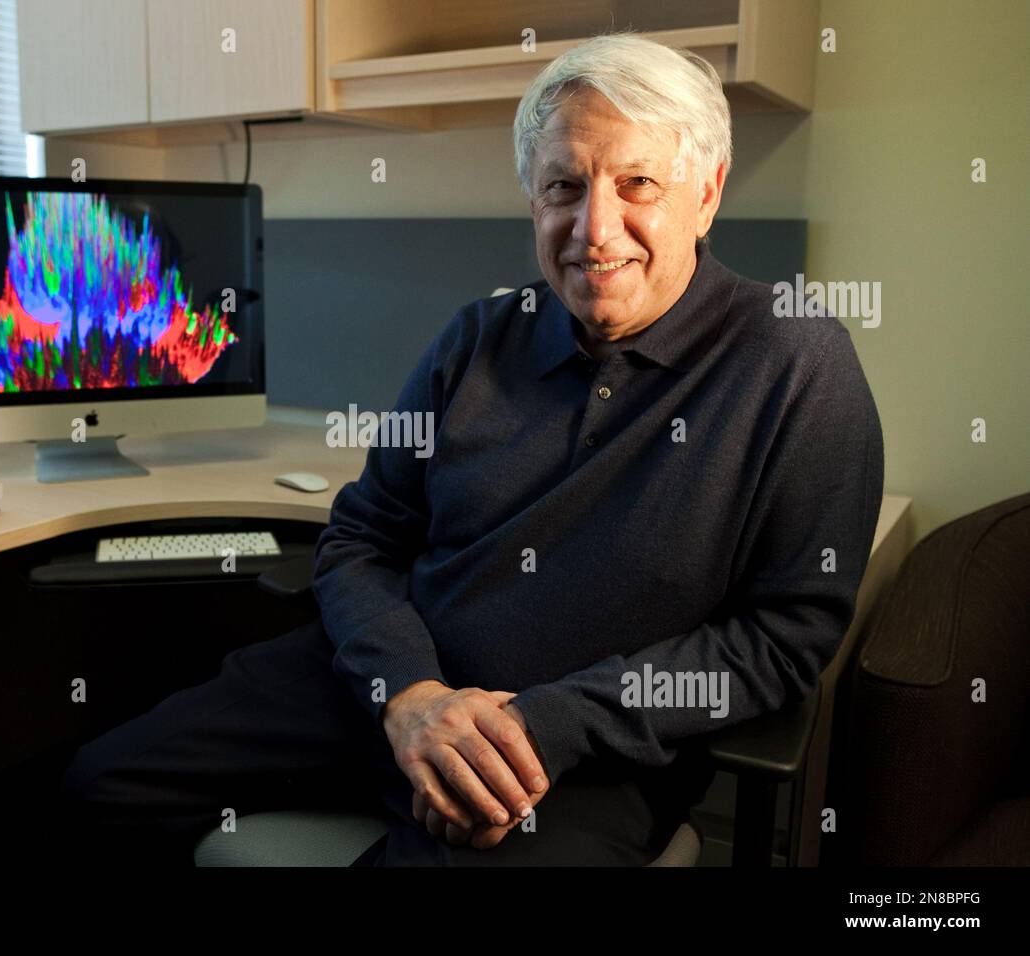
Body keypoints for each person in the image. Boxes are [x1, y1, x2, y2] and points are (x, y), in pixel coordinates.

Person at [60, 31, 885, 866]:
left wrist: (539, 727)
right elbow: (361, 538)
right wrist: (409, 695)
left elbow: (785, 638)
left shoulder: (796, 364)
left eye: (638, 183)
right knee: (100, 785)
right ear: (534, 199)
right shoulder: (480, 338)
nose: (596, 229)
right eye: (564, 185)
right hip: (387, 692)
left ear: (706, 194)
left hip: (579, 753)